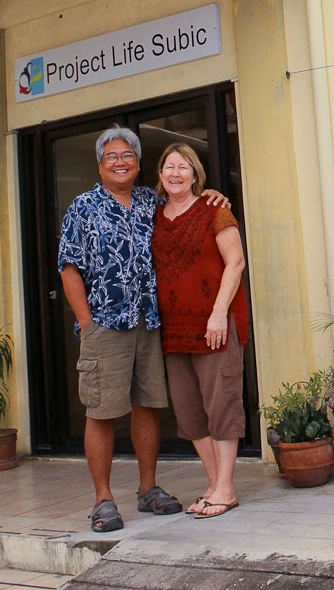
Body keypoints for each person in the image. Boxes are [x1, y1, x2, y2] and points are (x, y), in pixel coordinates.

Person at [57, 127, 225, 533]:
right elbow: (68, 267)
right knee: (100, 411)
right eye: (112, 155)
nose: (120, 161)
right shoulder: (83, 207)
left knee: (146, 405)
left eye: (127, 154)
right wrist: (85, 321)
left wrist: (215, 198)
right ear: (100, 164)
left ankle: (148, 489)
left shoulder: (152, 201)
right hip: (105, 323)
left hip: (149, 321)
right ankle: (103, 499)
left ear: (137, 161)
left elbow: (186, 201)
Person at [151, 142, 248, 519]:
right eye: (168, 166)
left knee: (221, 405)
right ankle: (214, 484)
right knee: (190, 412)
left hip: (214, 327)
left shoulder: (215, 210)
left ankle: (226, 487)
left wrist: (219, 313)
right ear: (160, 175)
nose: (175, 173)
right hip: (174, 331)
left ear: (195, 174)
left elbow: (235, 262)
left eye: (183, 167)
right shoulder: (155, 215)